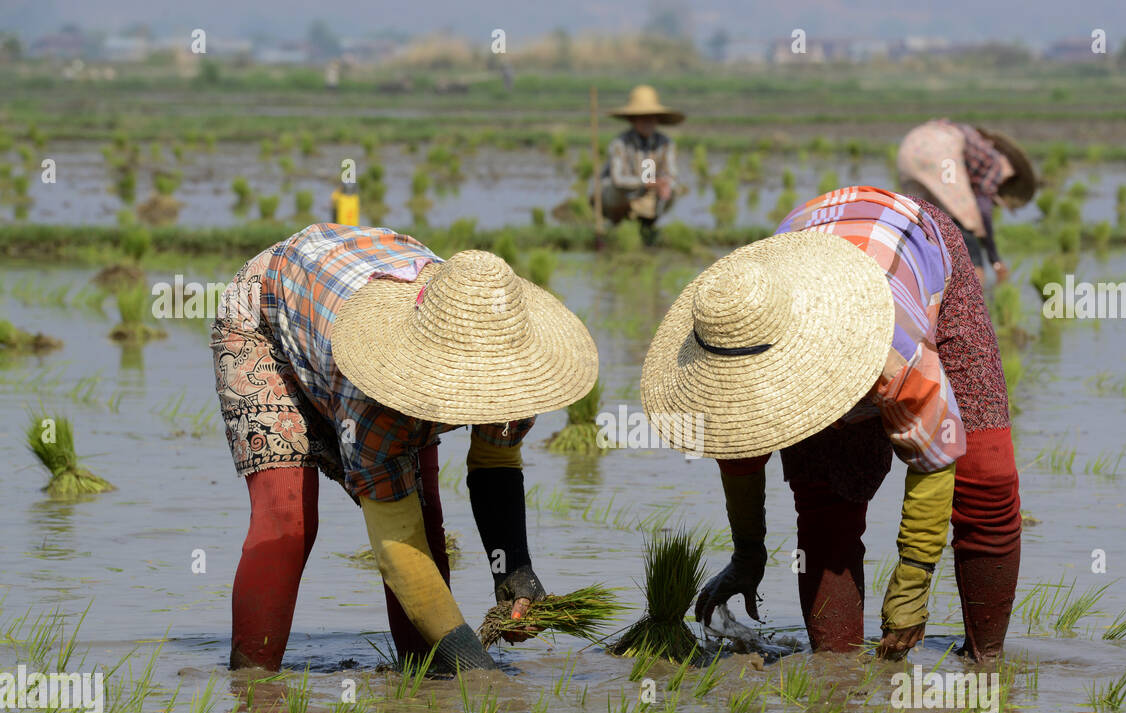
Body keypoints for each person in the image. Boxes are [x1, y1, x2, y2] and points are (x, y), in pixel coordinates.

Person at [640, 186, 1021, 662]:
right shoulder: (735, 354)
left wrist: (913, 578)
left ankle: (987, 667)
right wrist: (747, 553)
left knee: (986, 478)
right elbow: (740, 457)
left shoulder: (890, 346)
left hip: (915, 244)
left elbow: (936, 449)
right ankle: (836, 682)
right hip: (806, 244)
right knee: (826, 501)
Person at [211, 223, 598, 673]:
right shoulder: (373, 391)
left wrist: (512, 570)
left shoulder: (512, 366)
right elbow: (396, 549)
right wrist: (475, 668)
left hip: (354, 278)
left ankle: (422, 673)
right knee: (289, 520)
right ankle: (255, 687)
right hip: (266, 315)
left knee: (427, 515)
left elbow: (495, 462)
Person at [896, 121, 1036, 284]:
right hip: (940, 152)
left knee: (926, 225)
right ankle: (975, 296)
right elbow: (982, 210)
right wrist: (995, 259)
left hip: (909, 149)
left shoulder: (974, 143)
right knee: (965, 224)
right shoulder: (995, 163)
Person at [597, 85, 683, 233]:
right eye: (642, 117)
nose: (647, 121)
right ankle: (617, 224)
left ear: (657, 119)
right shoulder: (620, 144)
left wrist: (664, 184)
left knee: (673, 189)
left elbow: (672, 175)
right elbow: (618, 179)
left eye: (651, 117)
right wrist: (647, 183)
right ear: (632, 119)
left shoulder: (666, 144)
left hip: (650, 194)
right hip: (622, 195)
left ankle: (648, 225)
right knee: (612, 188)